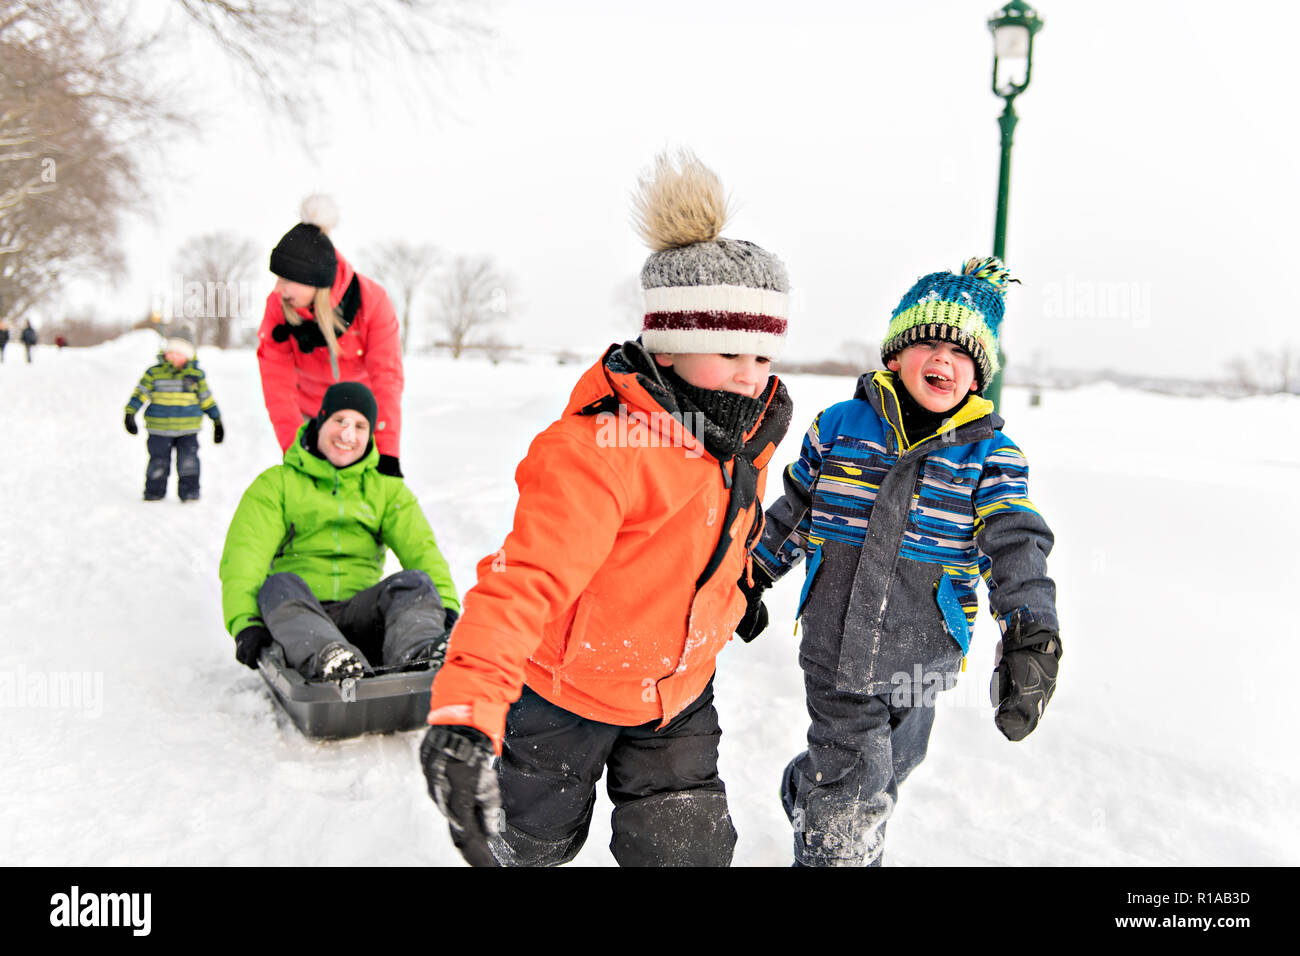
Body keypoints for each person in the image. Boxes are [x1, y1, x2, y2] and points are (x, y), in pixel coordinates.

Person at [418, 151, 793, 868]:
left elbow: (718, 525)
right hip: (564, 692)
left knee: (687, 852)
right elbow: (522, 584)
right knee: (526, 844)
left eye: (765, 355)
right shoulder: (598, 449)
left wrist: (733, 587)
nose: (751, 374)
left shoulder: (745, 432)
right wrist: (466, 711)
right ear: (674, 345)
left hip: (680, 693)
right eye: (730, 350)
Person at [742, 257, 1061, 867]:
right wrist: (752, 573)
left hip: (925, 655)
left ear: (977, 376)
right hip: (835, 647)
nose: (943, 359)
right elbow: (795, 510)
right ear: (896, 355)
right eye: (929, 344)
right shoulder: (840, 428)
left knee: (891, 769)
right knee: (854, 797)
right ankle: (831, 842)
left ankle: (807, 789)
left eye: (961, 353)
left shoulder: (991, 454)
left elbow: (1014, 540)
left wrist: (1032, 632)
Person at [220, 381, 460, 682]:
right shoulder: (276, 485)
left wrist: (447, 607)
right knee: (277, 584)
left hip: (360, 615)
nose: (348, 434)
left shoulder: (386, 489)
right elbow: (246, 554)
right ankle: (331, 660)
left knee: (414, 583)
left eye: (360, 426)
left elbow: (422, 550)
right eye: (340, 421)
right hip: (298, 618)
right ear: (320, 421)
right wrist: (245, 623)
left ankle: (420, 658)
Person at [257, 195, 405, 478]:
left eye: (287, 279)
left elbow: (387, 378)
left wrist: (387, 454)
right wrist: (294, 448)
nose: (277, 289)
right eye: (277, 278)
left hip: (360, 423)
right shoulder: (278, 307)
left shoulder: (372, 302)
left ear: (313, 281)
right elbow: (277, 384)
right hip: (310, 421)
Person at [123, 328, 223, 502]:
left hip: (187, 429)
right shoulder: (154, 373)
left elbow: (206, 400)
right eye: (171, 351)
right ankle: (154, 492)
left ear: (189, 355)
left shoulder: (195, 376)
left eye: (179, 353)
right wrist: (130, 413)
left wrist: (217, 420)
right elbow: (140, 393)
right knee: (158, 461)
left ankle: (190, 492)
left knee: (189, 462)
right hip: (159, 429)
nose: (173, 356)